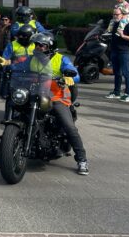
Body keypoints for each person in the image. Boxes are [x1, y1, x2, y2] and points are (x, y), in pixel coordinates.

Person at [11, 33, 88, 175]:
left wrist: (68, 75)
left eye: (43, 45)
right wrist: (7, 66)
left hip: (55, 97)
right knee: (17, 110)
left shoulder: (60, 59)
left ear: (50, 47)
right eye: (37, 44)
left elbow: (75, 73)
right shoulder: (31, 59)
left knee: (69, 126)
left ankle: (82, 159)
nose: (39, 47)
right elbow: (18, 67)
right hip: (34, 94)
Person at [104, 7, 129, 102]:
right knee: (117, 73)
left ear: (122, 15)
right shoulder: (114, 24)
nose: (115, 16)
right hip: (115, 51)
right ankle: (116, 92)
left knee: (126, 72)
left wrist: (123, 35)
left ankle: (128, 94)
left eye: (117, 14)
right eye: (114, 14)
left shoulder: (128, 25)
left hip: (124, 52)